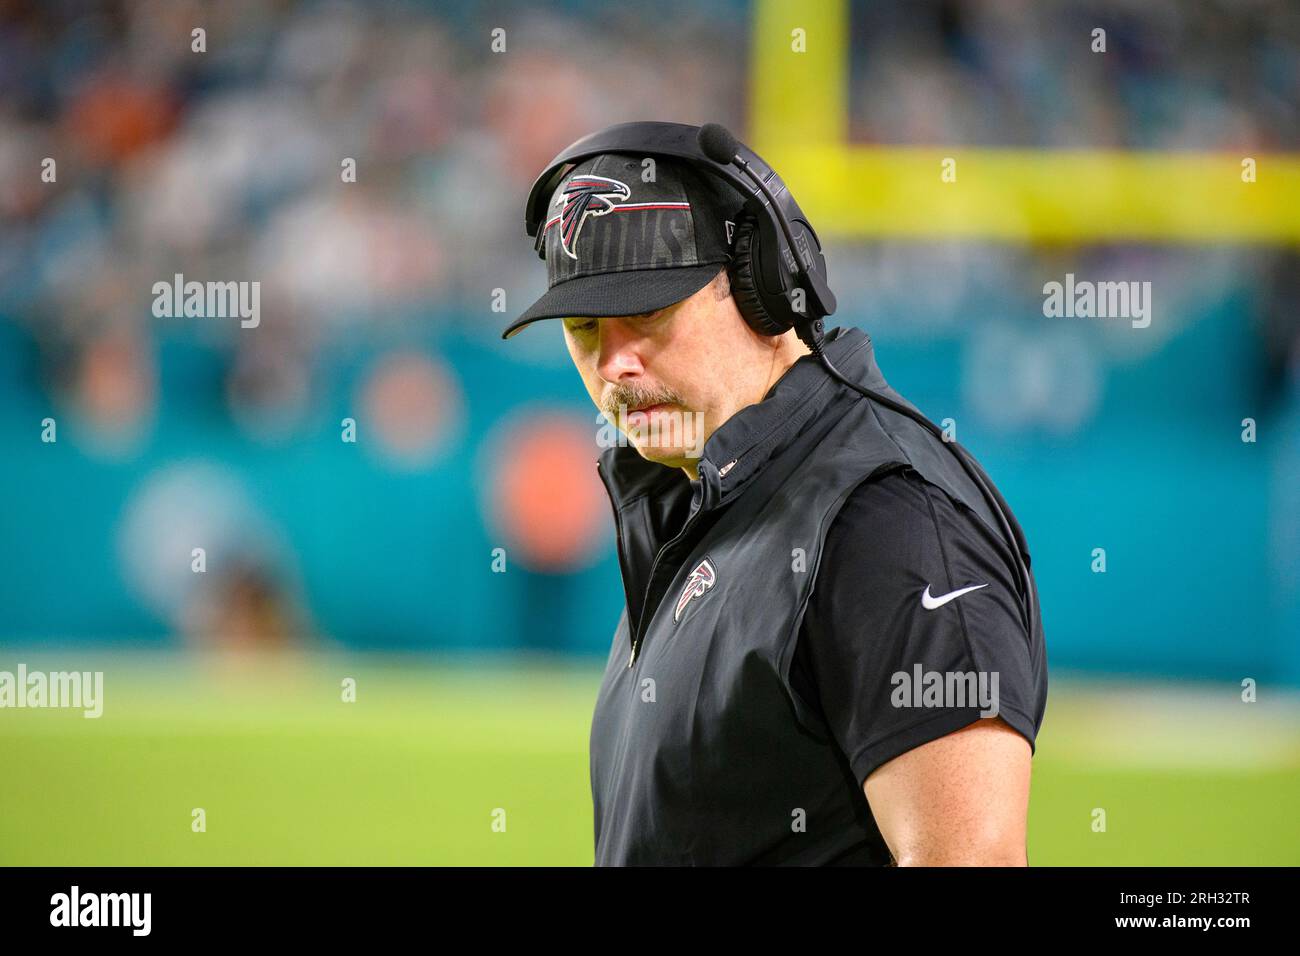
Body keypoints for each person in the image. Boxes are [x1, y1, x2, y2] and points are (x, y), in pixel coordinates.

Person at [501, 125, 1048, 866]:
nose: (615, 362)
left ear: (763, 286)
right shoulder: (695, 503)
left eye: (648, 311)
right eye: (586, 325)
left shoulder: (888, 517)